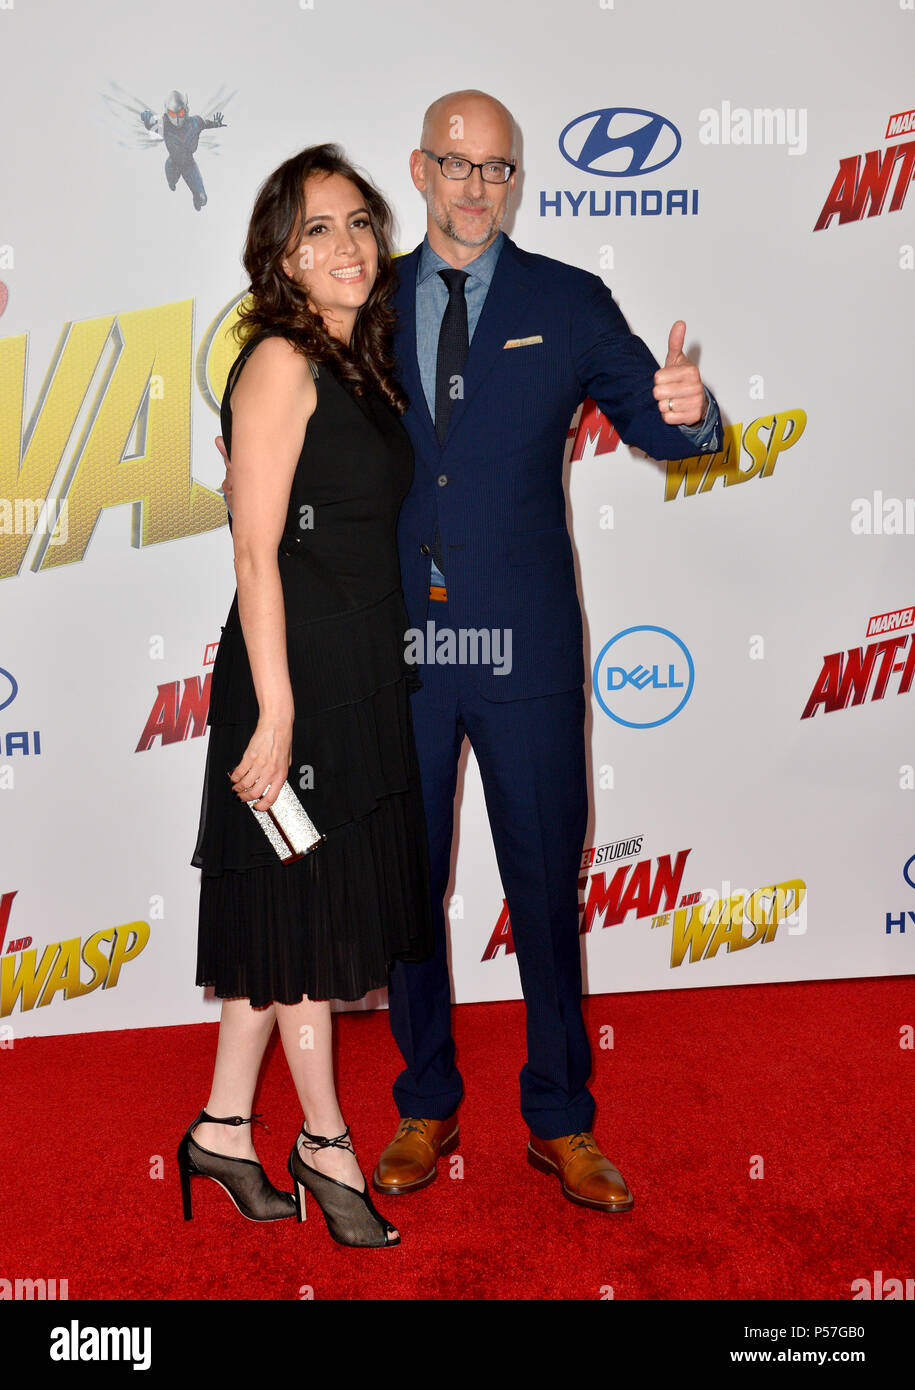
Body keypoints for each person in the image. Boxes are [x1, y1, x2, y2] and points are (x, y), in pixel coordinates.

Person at [220, 94, 722, 1216]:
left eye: (495, 169)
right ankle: (424, 1099)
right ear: (421, 167)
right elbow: (285, 438)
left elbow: (657, 418)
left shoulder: (569, 298)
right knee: (409, 893)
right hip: (392, 652)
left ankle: (562, 1118)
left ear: (516, 179)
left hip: (526, 649)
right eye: (454, 164)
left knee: (544, 885)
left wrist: (687, 411)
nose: (473, 187)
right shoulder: (363, 296)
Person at [182, 144, 433, 1248]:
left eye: (358, 222)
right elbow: (253, 554)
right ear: (279, 258)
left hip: (353, 669)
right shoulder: (282, 359)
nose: (346, 246)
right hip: (292, 684)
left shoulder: (358, 358)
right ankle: (325, 1140)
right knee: (308, 917)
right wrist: (276, 713)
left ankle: (224, 1129)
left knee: (281, 916)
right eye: (316, 229)